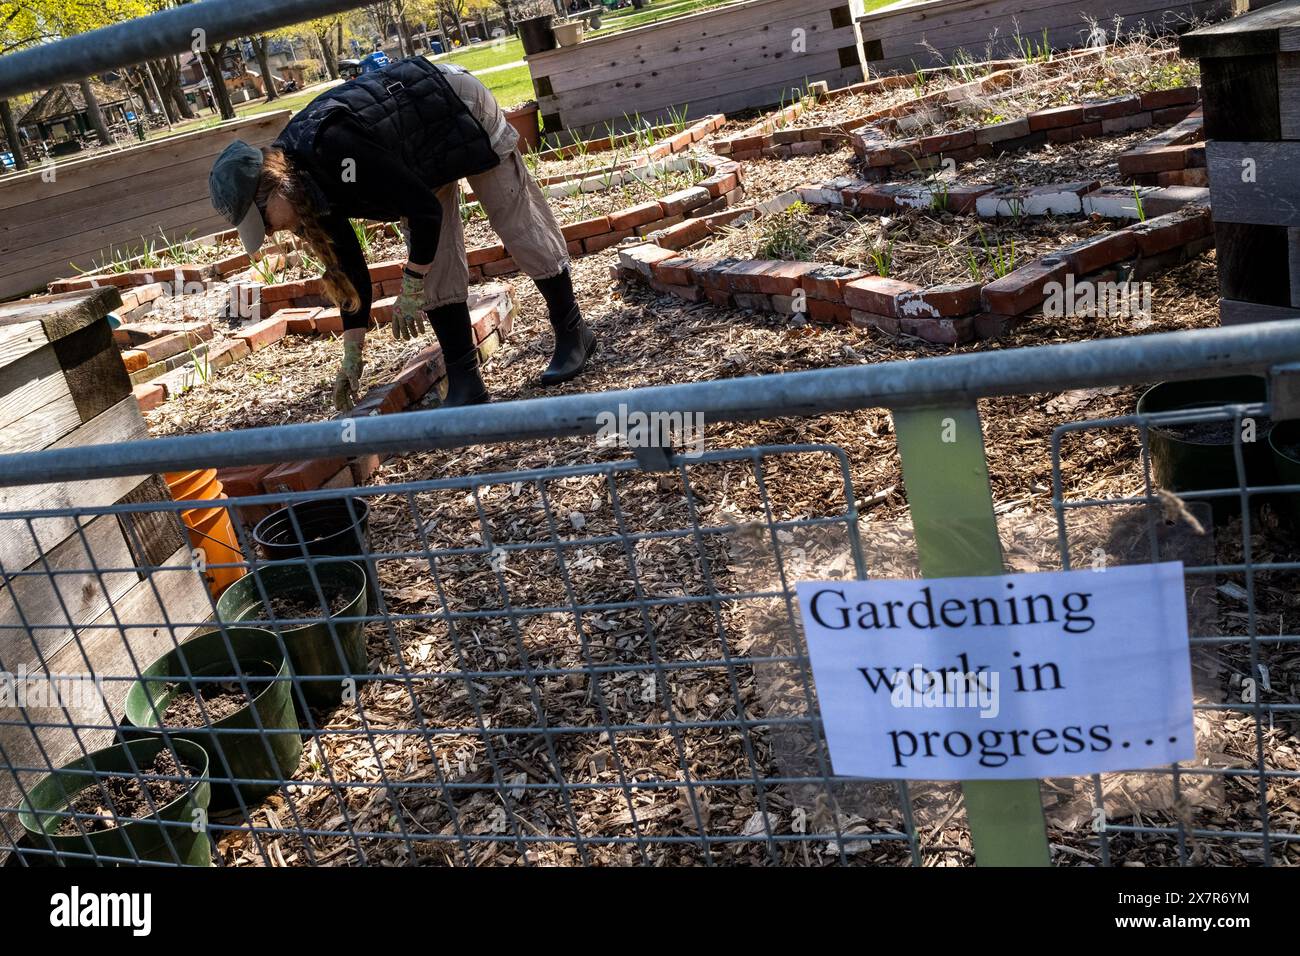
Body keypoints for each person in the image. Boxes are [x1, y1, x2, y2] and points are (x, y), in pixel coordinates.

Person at [207, 56, 595, 411]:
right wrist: (352, 354)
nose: (273, 231)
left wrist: (411, 283)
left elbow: (422, 209)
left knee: (515, 219)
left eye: (266, 221)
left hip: (452, 103)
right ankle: (464, 379)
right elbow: (350, 269)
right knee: (434, 255)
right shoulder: (305, 192)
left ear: (274, 185)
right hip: (415, 149)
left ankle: (572, 331)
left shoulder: (335, 148)